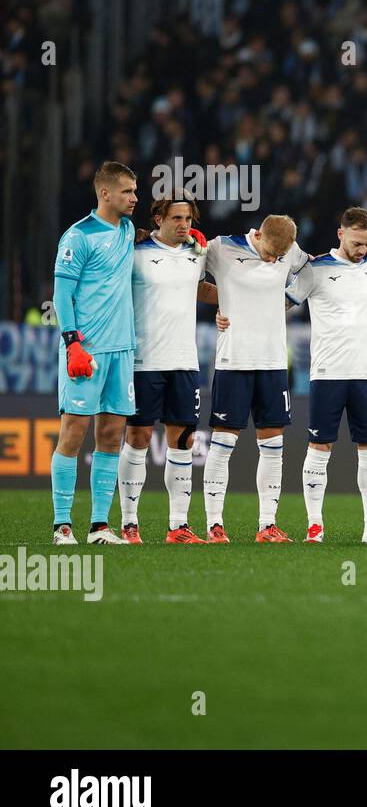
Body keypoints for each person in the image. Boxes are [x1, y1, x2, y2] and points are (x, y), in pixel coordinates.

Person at [287, 207, 367, 543]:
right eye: (356, 243)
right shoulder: (316, 269)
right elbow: (284, 303)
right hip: (328, 373)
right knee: (320, 445)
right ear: (341, 234)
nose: (362, 250)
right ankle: (315, 526)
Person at [116, 193, 218, 544]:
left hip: (185, 362)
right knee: (138, 438)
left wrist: (236, 298)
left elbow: (200, 289)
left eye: (188, 218)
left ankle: (179, 526)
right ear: (157, 219)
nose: (184, 224)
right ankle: (129, 523)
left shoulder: (196, 253)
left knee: (184, 443)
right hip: (144, 362)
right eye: (176, 218)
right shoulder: (135, 252)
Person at [202, 214, 309, 542]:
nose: (272, 260)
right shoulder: (221, 248)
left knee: (274, 445)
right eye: (268, 254)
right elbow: (184, 275)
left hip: (273, 362)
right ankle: (214, 525)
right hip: (234, 360)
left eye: (279, 257)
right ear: (258, 234)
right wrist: (219, 305)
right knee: (223, 444)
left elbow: (317, 268)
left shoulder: (289, 251)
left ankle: (267, 525)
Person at [51, 161, 139, 545]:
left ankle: (100, 526)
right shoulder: (78, 236)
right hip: (86, 350)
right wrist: (72, 343)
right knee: (73, 431)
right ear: (105, 193)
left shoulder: (129, 229)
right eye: (127, 192)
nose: (134, 198)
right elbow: (61, 294)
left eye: (135, 191)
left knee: (111, 434)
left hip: (122, 348)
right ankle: (62, 525)